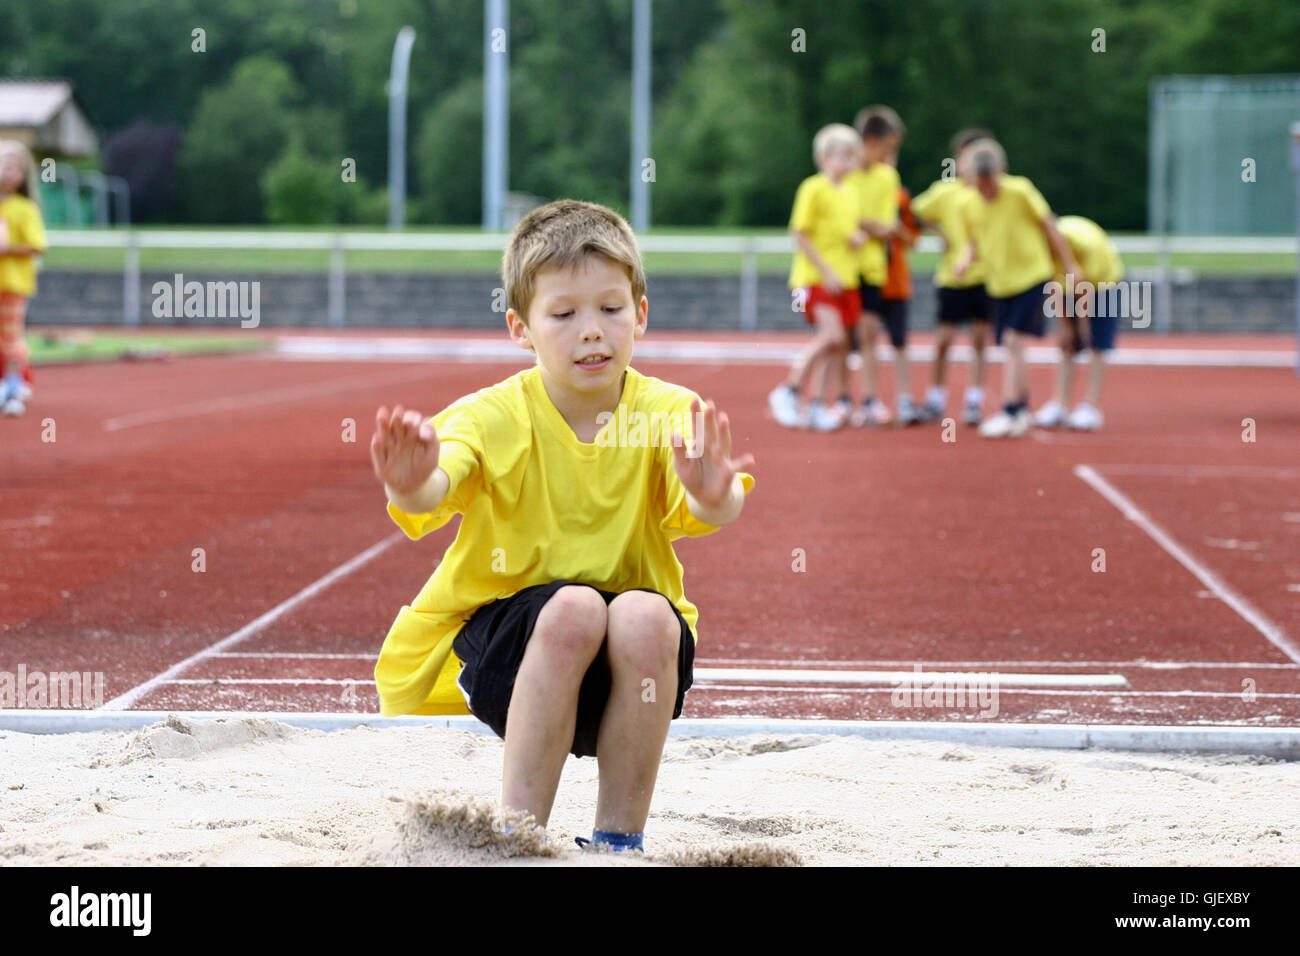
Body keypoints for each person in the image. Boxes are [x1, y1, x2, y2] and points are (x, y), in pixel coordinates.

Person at [370, 199, 755, 853]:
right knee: (574, 607)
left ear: (640, 313)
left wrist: (713, 493)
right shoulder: (492, 415)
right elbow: (438, 481)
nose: (592, 332)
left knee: (648, 616)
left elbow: (714, 508)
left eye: (610, 309)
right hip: (511, 659)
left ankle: (617, 842)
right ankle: (517, 837)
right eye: (564, 314)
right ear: (521, 328)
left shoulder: (665, 412)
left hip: (632, 677)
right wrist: (411, 481)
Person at [953, 139, 1079, 438]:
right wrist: (964, 259)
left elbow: (1049, 225)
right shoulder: (967, 204)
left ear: (1000, 173)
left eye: (990, 182)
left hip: (1031, 276)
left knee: (1013, 341)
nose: (986, 190)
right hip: (999, 283)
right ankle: (1021, 408)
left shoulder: (1020, 191)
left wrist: (1070, 264)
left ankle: (1010, 409)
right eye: (979, 184)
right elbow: (974, 240)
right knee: (1008, 344)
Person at [769, 123, 863, 431]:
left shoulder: (849, 192)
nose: (849, 162)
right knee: (832, 336)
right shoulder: (813, 188)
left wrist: (854, 239)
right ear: (824, 158)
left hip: (845, 279)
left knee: (838, 346)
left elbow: (838, 231)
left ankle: (818, 403)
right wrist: (826, 270)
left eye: (853, 156)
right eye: (843, 156)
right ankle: (789, 389)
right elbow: (800, 232)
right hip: (815, 278)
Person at [911, 128, 994, 426]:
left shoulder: (993, 193)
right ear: (958, 160)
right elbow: (913, 212)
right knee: (944, 339)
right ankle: (936, 397)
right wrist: (939, 233)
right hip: (952, 277)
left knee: (981, 338)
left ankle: (974, 399)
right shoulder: (945, 192)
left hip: (986, 275)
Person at [1034, 215, 1124, 431]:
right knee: (1067, 344)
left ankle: (1090, 407)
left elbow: (1086, 288)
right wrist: (1066, 326)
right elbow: (1054, 286)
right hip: (1073, 284)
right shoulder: (1042, 245)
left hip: (1103, 283)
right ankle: (1060, 404)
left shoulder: (1087, 245)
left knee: (1097, 344)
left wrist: (1083, 328)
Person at [845, 110, 902, 427]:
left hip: (872, 266)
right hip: (843, 265)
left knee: (868, 333)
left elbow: (887, 227)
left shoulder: (887, 176)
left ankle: (869, 399)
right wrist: (868, 226)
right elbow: (839, 222)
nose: (890, 156)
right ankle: (841, 399)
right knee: (842, 335)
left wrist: (860, 225)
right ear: (869, 142)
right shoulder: (844, 173)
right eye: (887, 147)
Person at [874, 108, 923, 426]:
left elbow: (912, 238)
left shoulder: (901, 197)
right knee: (862, 337)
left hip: (895, 281)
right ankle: (864, 400)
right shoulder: (855, 191)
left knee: (900, 341)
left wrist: (894, 229)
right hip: (865, 277)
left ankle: (904, 398)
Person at [0, 141, 48, 417]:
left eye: (14, 168)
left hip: (13, 284)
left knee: (10, 336)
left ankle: (14, 385)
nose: (7, 173)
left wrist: (8, 249)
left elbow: (36, 244)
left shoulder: (25, 208)